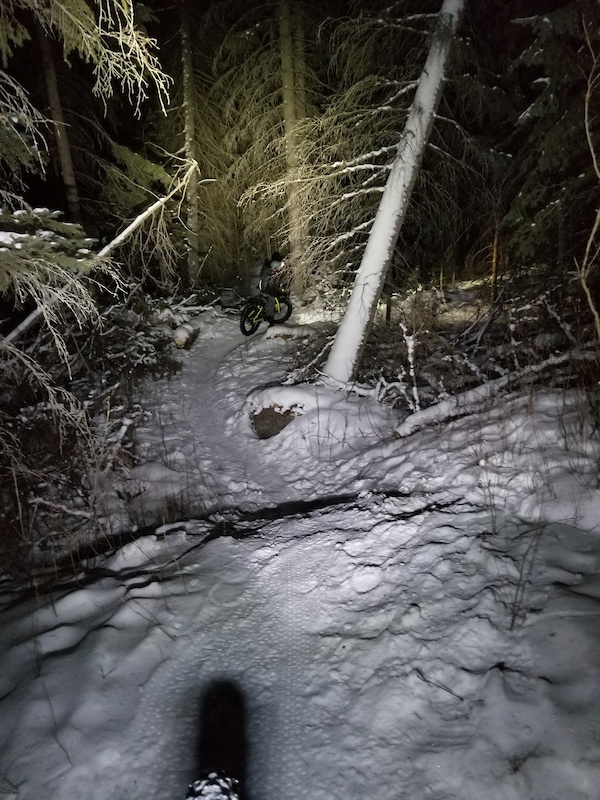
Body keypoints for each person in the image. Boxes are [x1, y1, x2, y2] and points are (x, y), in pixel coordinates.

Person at [258, 252, 286, 322]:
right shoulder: (274, 266)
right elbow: (274, 284)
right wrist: (280, 290)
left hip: (263, 285)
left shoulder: (269, 265)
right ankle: (269, 317)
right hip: (266, 288)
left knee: (267, 299)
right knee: (271, 301)